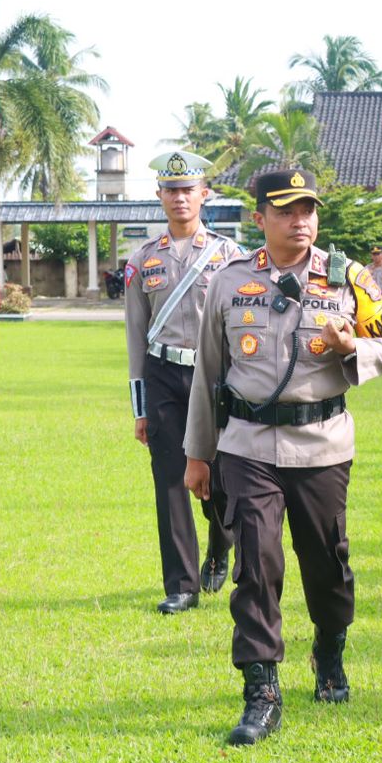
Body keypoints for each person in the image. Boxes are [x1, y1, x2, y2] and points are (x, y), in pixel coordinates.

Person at [184, 168, 382, 746]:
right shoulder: (229, 283)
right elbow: (210, 373)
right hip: (248, 445)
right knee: (257, 566)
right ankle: (261, 692)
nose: (301, 219)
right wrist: (198, 454)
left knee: (326, 565)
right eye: (286, 210)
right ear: (260, 219)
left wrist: (353, 346)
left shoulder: (349, 278)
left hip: (323, 444)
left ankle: (329, 649)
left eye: (308, 208)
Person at [125, 149, 245, 614]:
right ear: (159, 196)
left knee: (219, 474)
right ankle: (181, 583)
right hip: (162, 375)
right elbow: (136, 336)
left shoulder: (229, 256)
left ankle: (221, 542)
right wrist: (139, 408)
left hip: (213, 375)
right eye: (171, 190)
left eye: (187, 190)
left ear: (203, 194)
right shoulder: (143, 260)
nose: (179, 198)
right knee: (169, 478)